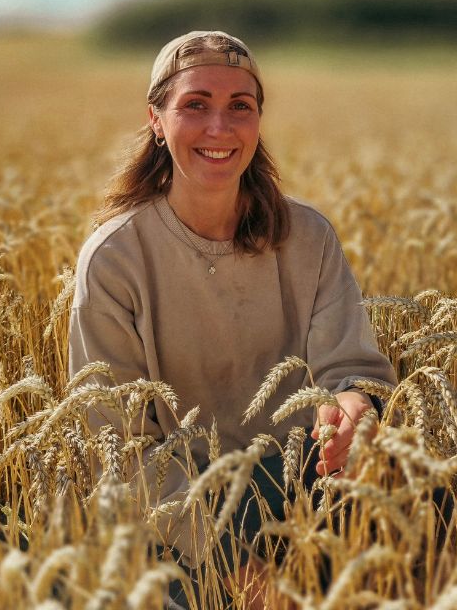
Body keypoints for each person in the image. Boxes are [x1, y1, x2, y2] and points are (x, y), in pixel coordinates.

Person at [68, 30, 398, 608]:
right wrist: (235, 567)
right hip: (187, 504)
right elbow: (119, 449)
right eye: (196, 105)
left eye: (239, 107)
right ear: (156, 119)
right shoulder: (115, 259)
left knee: (438, 508)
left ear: (257, 121)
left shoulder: (308, 237)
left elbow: (352, 370)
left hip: (303, 484)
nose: (219, 128)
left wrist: (353, 415)